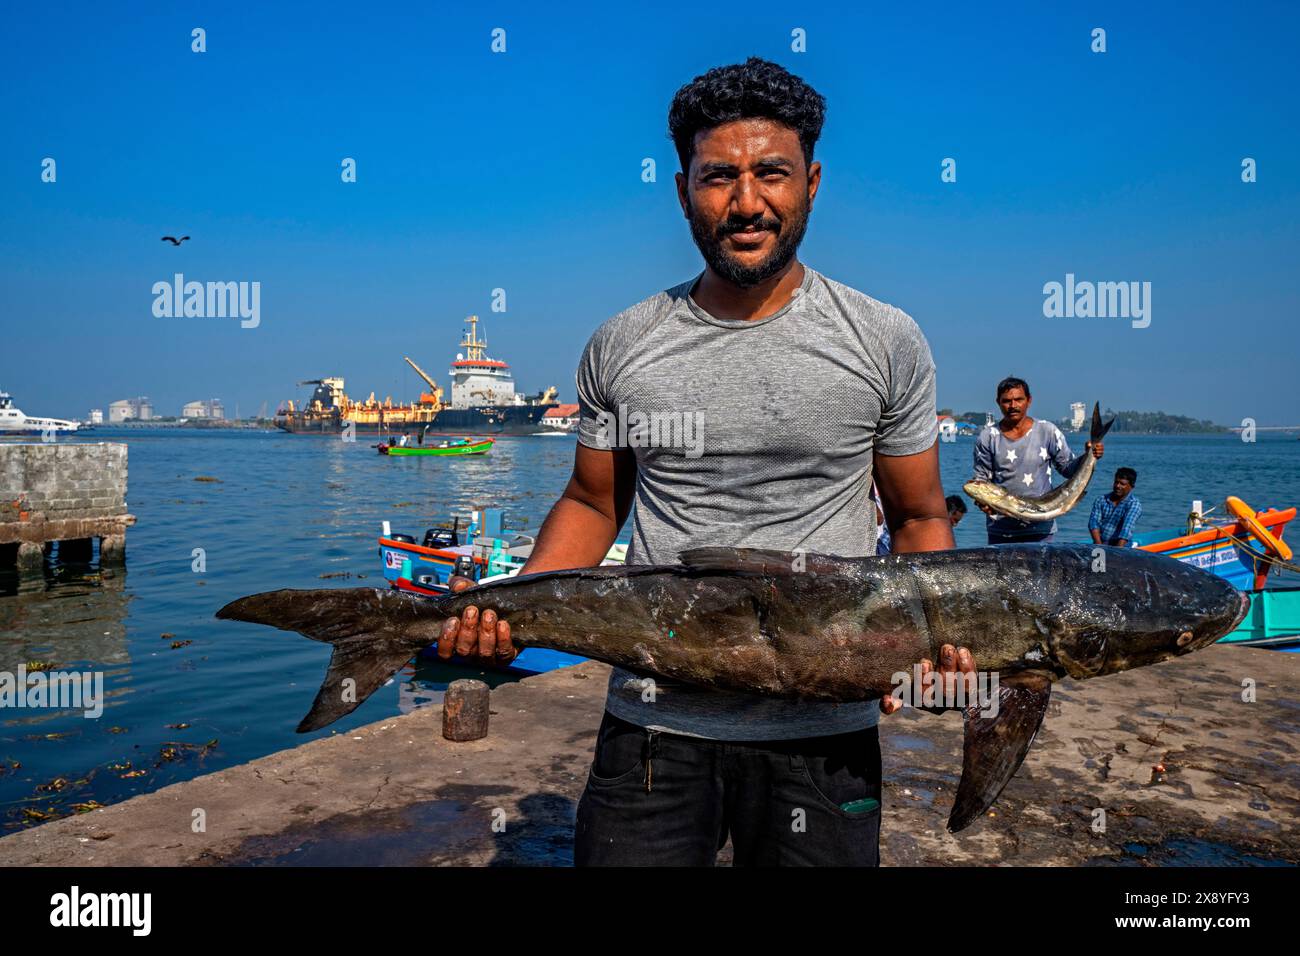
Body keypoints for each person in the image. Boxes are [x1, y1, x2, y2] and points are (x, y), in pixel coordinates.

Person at [439, 58, 975, 867]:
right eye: (719, 176)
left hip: (823, 739)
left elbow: (918, 515)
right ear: (682, 188)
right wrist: (509, 605)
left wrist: (937, 634)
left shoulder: (884, 338)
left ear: (813, 182)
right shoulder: (624, 342)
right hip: (654, 727)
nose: (747, 201)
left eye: (772, 174)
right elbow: (592, 504)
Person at [972, 377, 1103, 544]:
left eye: (1018, 399)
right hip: (1001, 531)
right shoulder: (987, 437)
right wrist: (982, 502)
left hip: (1042, 530)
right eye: (1007, 401)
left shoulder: (1047, 431)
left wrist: (1089, 455)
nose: (1013, 406)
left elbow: (1068, 469)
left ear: (1029, 400)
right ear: (998, 402)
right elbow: (981, 481)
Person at [1089, 467, 1141, 547]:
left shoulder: (1133, 504)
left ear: (1131, 487)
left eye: (1122, 484)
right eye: (1116, 482)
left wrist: (1117, 552)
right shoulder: (1101, 500)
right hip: (1101, 543)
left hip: (1122, 545)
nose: (1118, 486)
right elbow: (1093, 523)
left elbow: (1126, 529)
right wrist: (1099, 547)